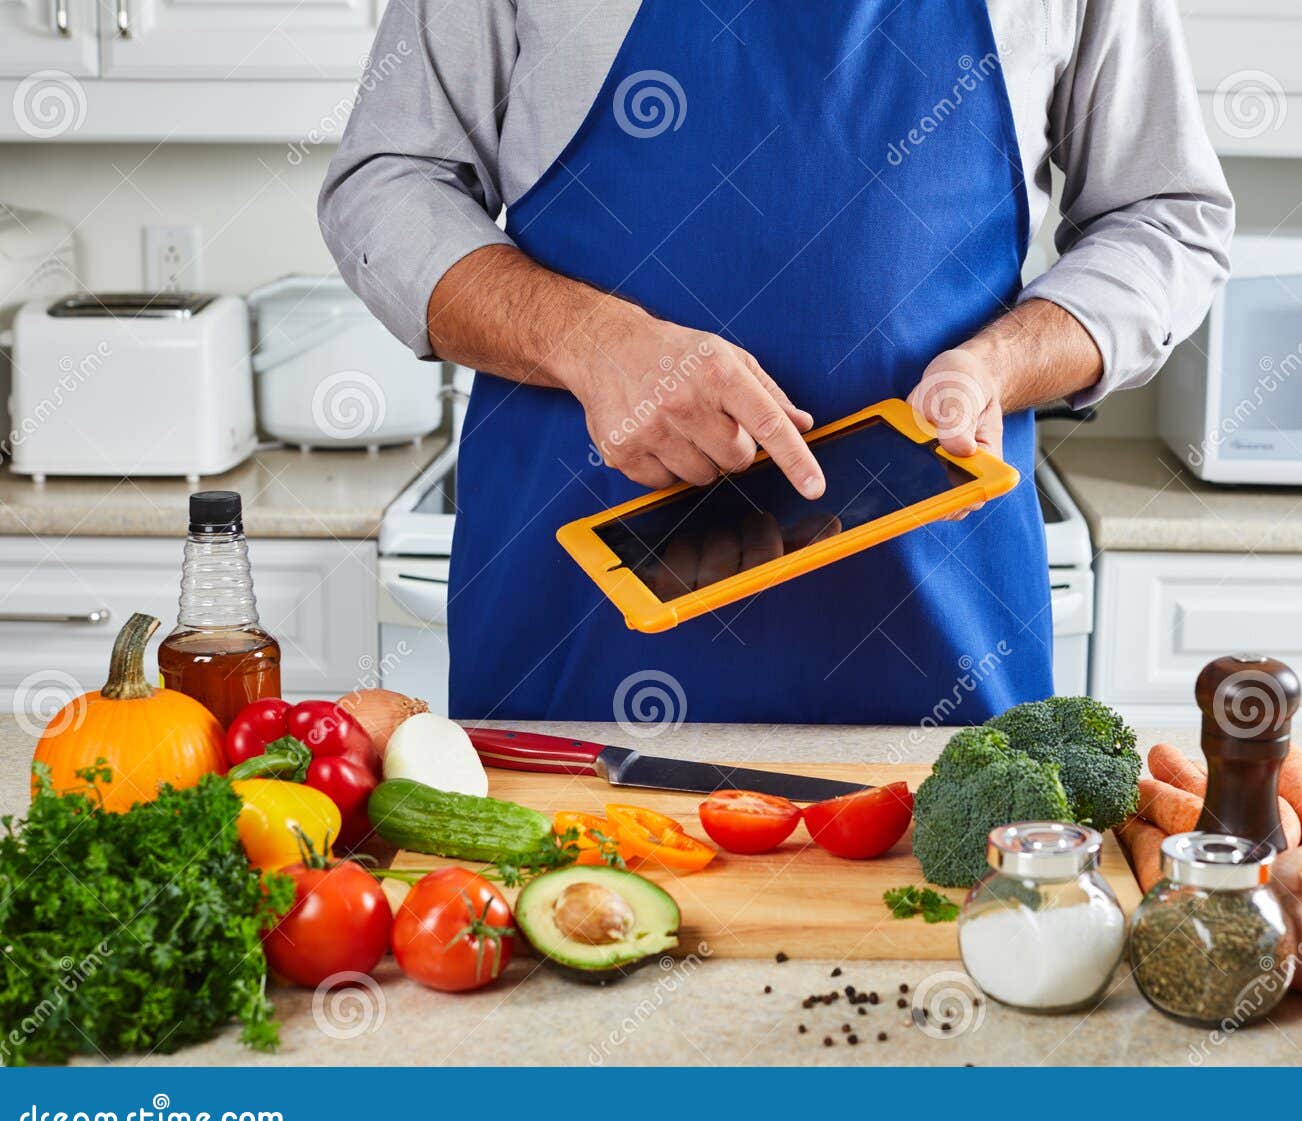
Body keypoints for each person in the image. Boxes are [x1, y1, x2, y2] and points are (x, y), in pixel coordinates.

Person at [320, 1, 1233, 725]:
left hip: (940, 644)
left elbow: (1166, 217)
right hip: (574, 630)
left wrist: (1003, 363)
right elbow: (387, 179)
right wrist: (588, 340)